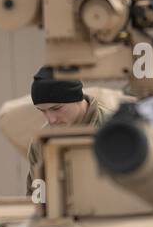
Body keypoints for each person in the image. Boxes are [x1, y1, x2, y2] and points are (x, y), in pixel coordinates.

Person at [25, 66, 113, 194]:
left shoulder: (115, 129)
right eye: (43, 111)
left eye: (56, 109)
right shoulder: (41, 142)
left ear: (76, 98)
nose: (51, 119)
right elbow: (37, 198)